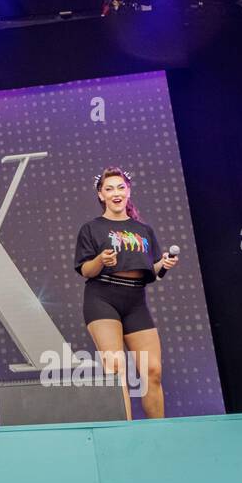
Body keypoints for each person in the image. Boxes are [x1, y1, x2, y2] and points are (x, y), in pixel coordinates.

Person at [74, 168, 176, 419]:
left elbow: (149, 271)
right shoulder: (91, 228)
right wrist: (101, 259)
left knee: (152, 370)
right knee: (116, 367)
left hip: (135, 301)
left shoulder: (144, 230)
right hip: (102, 298)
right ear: (101, 195)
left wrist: (162, 265)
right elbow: (86, 269)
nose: (116, 193)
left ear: (128, 191)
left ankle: (158, 434)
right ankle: (125, 433)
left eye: (120, 187)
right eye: (109, 189)